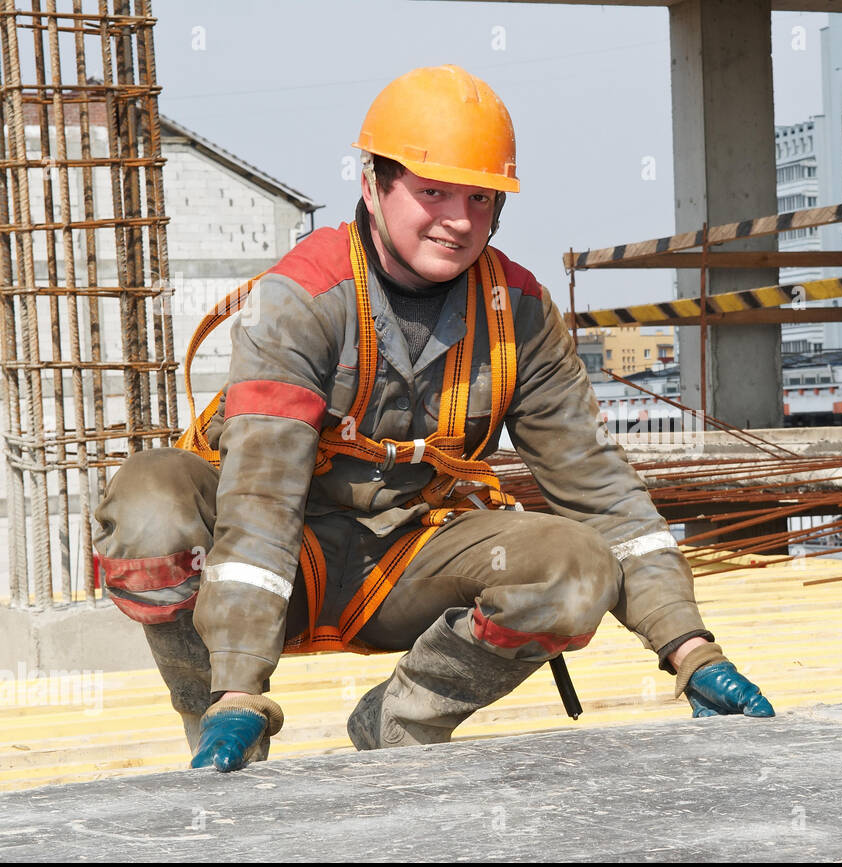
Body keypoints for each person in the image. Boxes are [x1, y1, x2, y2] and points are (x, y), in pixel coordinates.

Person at [92, 65, 773, 772]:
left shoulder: (521, 313)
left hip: (403, 561)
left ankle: (397, 726)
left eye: (480, 198)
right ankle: (218, 735)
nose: (458, 220)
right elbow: (260, 501)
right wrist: (236, 689)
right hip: (272, 558)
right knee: (149, 505)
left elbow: (599, 489)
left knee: (575, 569)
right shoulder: (300, 298)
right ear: (371, 184)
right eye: (433, 192)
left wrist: (690, 648)